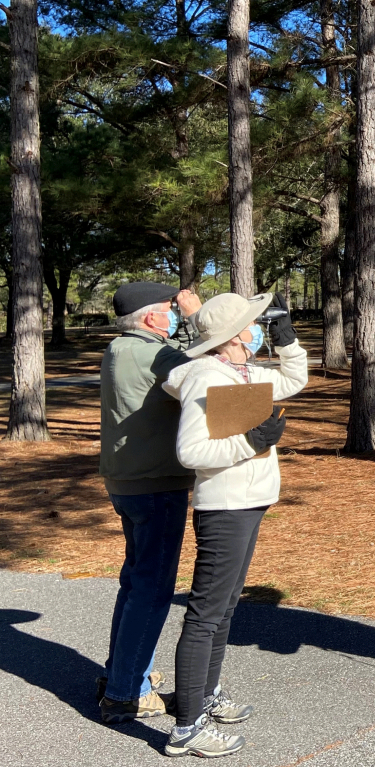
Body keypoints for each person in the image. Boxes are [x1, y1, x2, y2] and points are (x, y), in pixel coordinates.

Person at [161, 292, 307, 758]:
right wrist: (250, 442)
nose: (258, 328)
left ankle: (204, 696)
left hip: (249, 500)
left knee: (223, 610)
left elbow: (293, 379)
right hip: (225, 507)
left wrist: (287, 341)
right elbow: (191, 452)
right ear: (234, 336)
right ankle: (186, 728)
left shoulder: (240, 372)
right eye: (254, 323)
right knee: (206, 615)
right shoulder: (208, 376)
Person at [98, 281, 202, 723]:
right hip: (155, 483)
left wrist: (185, 326)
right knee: (153, 589)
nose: (173, 313)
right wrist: (198, 318)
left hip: (129, 480)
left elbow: (179, 355)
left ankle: (122, 673)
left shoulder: (124, 347)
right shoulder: (152, 354)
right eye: (168, 308)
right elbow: (206, 369)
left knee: (135, 583)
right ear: (150, 317)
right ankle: (126, 693)